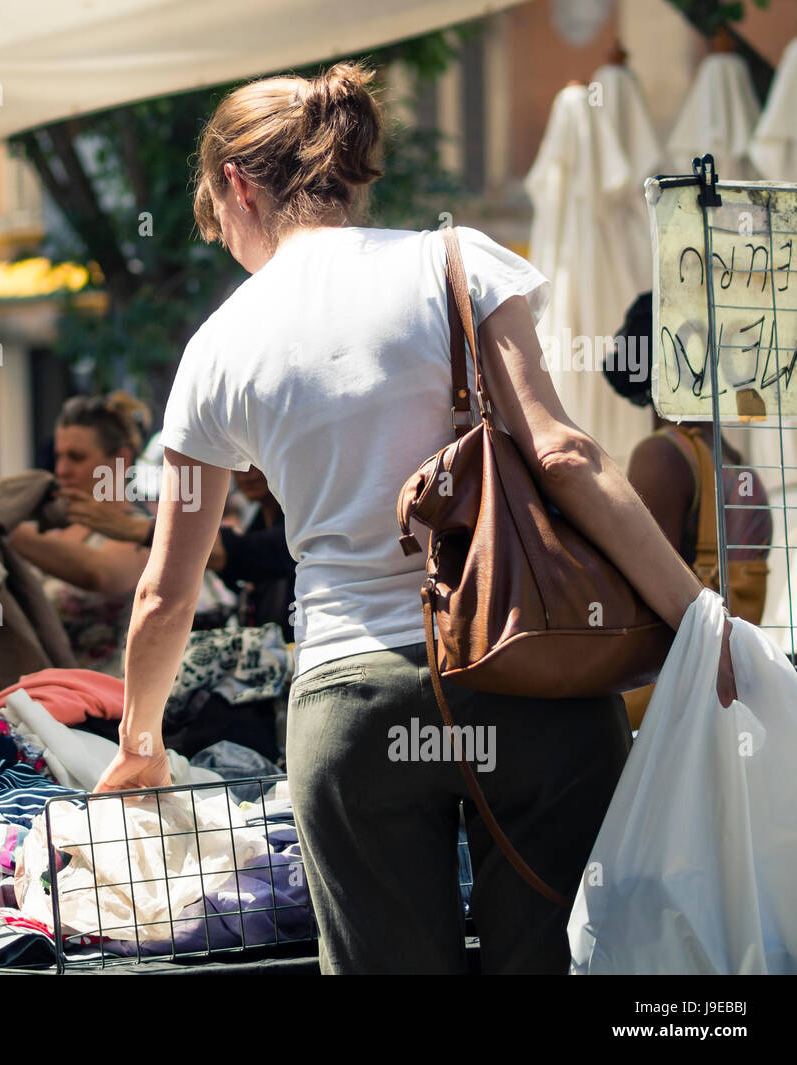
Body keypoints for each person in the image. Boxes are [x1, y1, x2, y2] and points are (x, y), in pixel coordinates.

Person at [91, 62, 730, 975]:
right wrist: (701, 623)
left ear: (238, 184)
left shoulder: (215, 352)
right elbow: (564, 455)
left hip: (353, 703)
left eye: (217, 217)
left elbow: (165, 591)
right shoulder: (457, 262)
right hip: (533, 676)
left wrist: (143, 744)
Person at [605, 292, 771, 727]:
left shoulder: (662, 458)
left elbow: (637, 595)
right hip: (734, 701)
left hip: (672, 705)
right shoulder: (736, 465)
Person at [7, 392, 154, 676]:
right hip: (42, 697)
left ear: (121, 459)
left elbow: (99, 572)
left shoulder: (138, 533)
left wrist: (1, 526)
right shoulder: (54, 529)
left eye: (76, 457)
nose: (61, 470)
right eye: (59, 456)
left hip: (106, 705)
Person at [67, 464, 296, 640]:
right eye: (242, 458)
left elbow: (243, 553)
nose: (246, 471)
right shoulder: (258, 524)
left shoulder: (296, 523)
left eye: (77, 458)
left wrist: (136, 529)